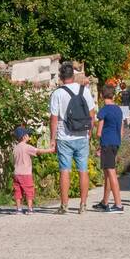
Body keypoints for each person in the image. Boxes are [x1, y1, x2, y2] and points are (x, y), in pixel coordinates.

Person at [48, 61, 96, 214]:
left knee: (65, 171)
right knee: (83, 171)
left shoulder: (57, 93)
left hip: (64, 136)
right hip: (82, 135)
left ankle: (64, 205)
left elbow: (54, 118)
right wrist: (89, 131)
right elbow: (92, 113)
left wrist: (52, 138)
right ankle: (82, 205)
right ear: (73, 76)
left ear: (61, 77)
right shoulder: (85, 90)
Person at [93, 83, 126, 212]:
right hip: (116, 142)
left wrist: (98, 145)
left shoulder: (104, 110)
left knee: (111, 172)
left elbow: (99, 132)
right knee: (107, 173)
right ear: (113, 95)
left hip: (106, 142)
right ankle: (104, 202)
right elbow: (122, 129)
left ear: (101, 95)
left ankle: (118, 204)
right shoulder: (118, 109)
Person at [11, 126, 52, 214]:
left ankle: (18, 209)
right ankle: (30, 209)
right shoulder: (27, 147)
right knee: (29, 190)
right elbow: (38, 151)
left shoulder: (15, 148)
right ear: (24, 137)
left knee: (18, 191)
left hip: (16, 173)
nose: (29, 136)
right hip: (26, 174)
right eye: (28, 134)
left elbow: (13, 160)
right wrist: (51, 150)